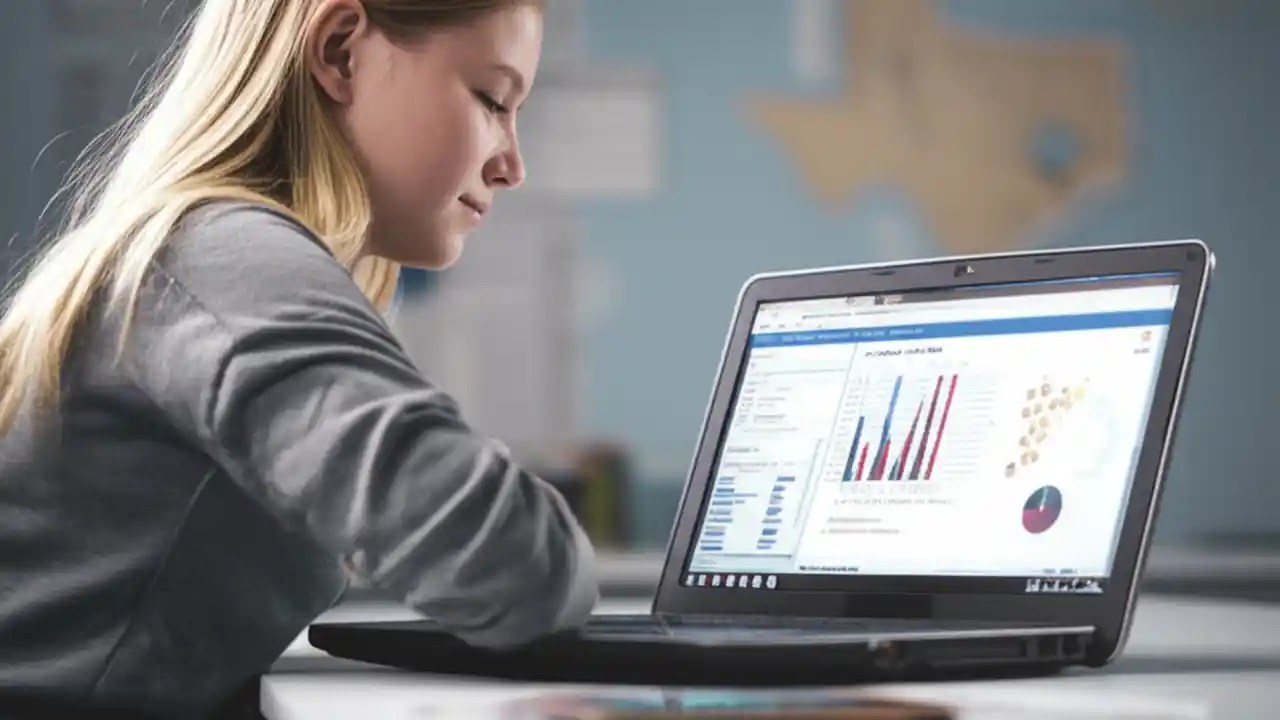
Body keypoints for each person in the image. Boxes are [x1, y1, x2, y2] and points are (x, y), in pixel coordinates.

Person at [0, 0, 598, 717]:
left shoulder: (191, 256)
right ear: (342, 52)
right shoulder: (226, 258)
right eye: (492, 100)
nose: (511, 165)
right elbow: (512, 564)